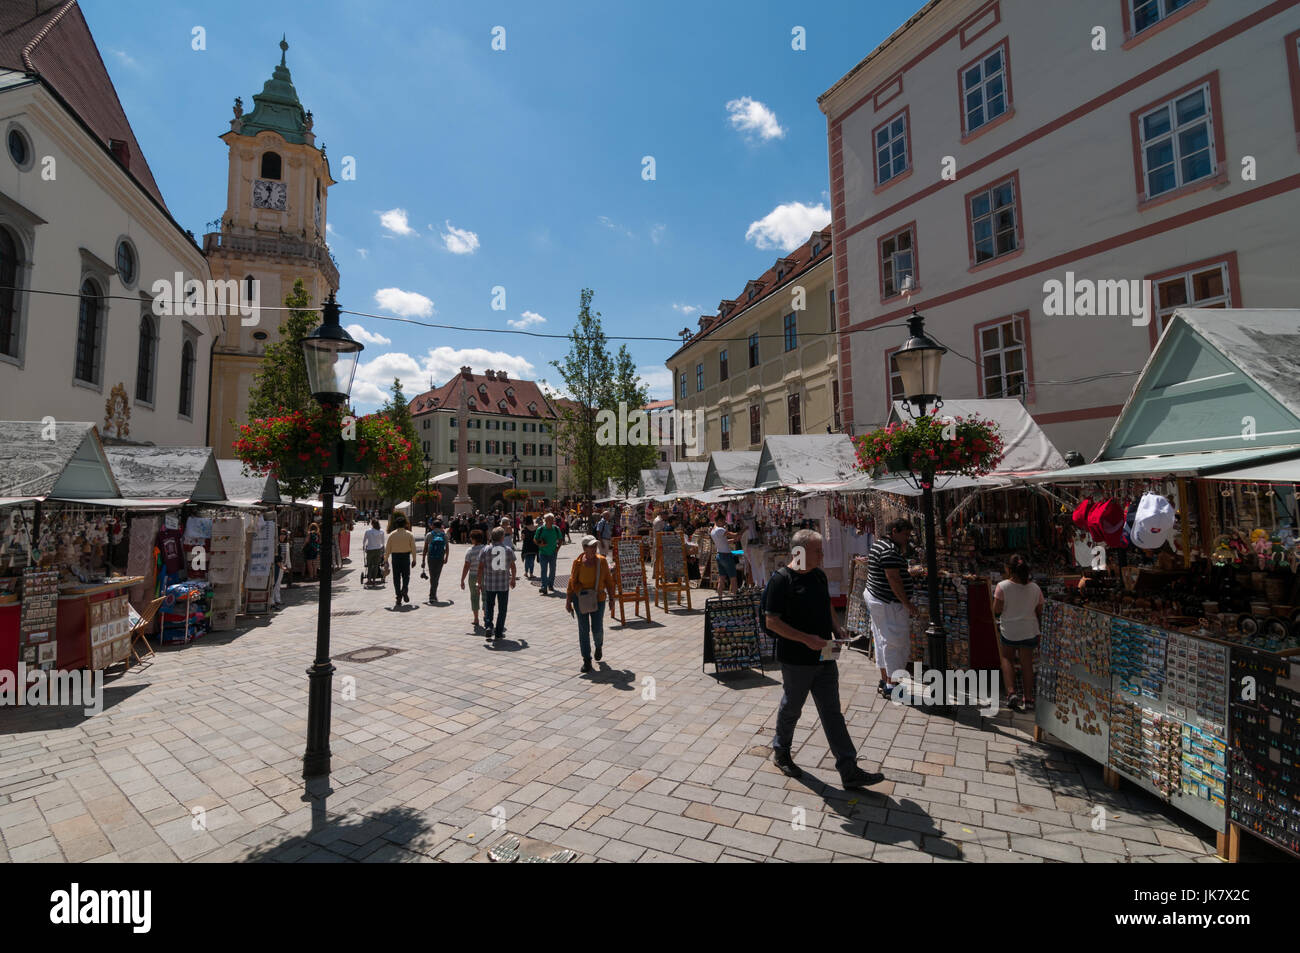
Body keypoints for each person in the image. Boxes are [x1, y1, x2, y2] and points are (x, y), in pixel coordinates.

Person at [765, 529, 885, 789]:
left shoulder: (818, 575)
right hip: (796, 658)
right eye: (818, 551)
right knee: (792, 707)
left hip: (825, 653)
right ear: (800, 552)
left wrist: (837, 626)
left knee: (832, 712)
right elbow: (771, 622)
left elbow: (826, 603)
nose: (822, 555)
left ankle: (848, 768)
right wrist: (806, 639)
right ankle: (781, 751)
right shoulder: (781, 580)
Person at [865, 518, 918, 698]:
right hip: (888, 603)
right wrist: (907, 603)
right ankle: (893, 685)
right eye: (905, 534)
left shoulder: (879, 544)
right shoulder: (889, 550)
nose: (907, 538)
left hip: (877, 598)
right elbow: (893, 578)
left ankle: (886, 679)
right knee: (895, 643)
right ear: (894, 531)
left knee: (882, 640)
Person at [993, 553, 1044, 711]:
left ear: (1009, 569)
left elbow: (996, 610)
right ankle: (1028, 698)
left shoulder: (1002, 587)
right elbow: (1040, 611)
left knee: (1007, 658)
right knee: (1026, 663)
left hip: (1010, 630)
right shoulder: (1035, 588)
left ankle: (1011, 692)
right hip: (1029, 630)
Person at [566, 535, 618, 674]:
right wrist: (569, 600)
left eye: (595, 545)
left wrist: (612, 599)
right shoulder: (577, 562)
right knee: (583, 630)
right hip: (581, 599)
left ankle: (598, 645)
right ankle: (586, 660)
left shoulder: (602, 561)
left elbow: (609, 581)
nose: (594, 548)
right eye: (591, 546)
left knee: (597, 628)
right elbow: (572, 582)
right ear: (584, 548)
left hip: (599, 598)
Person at [477, 526, 517, 640]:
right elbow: (513, 566)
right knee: (502, 609)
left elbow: (480, 567)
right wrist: (513, 579)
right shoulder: (508, 550)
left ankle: (489, 625)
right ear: (502, 537)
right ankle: (499, 631)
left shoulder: (485, 549)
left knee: (489, 606)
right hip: (503, 584)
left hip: (489, 583)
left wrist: (479, 582)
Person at [384, 514, 417, 609]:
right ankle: (405, 589)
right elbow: (413, 548)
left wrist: (386, 560)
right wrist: (414, 559)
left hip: (395, 558)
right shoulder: (409, 534)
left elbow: (387, 549)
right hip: (406, 557)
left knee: (396, 577)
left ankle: (398, 596)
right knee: (406, 576)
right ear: (405, 524)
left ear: (396, 525)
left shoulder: (392, 535)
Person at [461, 528, 487, 630]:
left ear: (474, 539)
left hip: (473, 575)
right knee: (485, 596)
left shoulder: (470, 550)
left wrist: (462, 579)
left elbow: (466, 565)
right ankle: (486, 616)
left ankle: (476, 618)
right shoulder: (487, 549)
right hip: (485, 575)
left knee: (474, 597)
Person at [711, 512, 741, 594]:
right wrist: (744, 529)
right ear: (720, 521)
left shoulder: (713, 531)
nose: (725, 523)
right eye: (724, 521)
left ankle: (719, 598)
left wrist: (733, 540)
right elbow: (735, 535)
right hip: (726, 556)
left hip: (719, 555)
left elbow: (723, 541)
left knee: (721, 579)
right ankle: (734, 598)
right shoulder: (720, 530)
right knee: (733, 578)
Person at [534, 512, 564, 595]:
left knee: (552, 570)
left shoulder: (556, 529)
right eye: (550, 519)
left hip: (553, 553)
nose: (552, 521)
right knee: (544, 570)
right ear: (545, 520)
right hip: (543, 553)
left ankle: (550, 584)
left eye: (552, 519)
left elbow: (561, 539)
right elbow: (535, 539)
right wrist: (540, 544)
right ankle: (544, 586)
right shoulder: (540, 529)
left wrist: (557, 549)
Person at [421, 517, 450, 604]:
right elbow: (447, 548)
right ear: (441, 526)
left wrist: (423, 560)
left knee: (432, 576)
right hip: (440, 557)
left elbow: (425, 549)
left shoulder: (429, 535)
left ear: (433, 526)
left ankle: (432, 595)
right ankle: (433, 595)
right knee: (436, 577)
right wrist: (446, 558)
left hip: (431, 557)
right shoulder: (444, 535)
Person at [362, 518, 385, 586]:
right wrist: (382, 549)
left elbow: (364, 541)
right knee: (376, 565)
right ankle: (374, 580)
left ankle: (369, 580)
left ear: (372, 524)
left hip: (370, 550)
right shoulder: (381, 532)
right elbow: (383, 542)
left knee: (369, 566)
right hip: (378, 550)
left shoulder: (368, 531)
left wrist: (364, 546)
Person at [272, 529, 290, 607]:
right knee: (275, 582)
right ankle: (274, 600)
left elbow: (287, 556)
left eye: (284, 534)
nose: (283, 536)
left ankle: (277, 599)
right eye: (281, 534)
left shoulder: (286, 544)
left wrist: (288, 565)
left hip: (283, 565)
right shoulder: (277, 544)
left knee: (278, 583)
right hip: (278, 565)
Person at [521, 515, 538, 579]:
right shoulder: (536, 527)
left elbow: (522, 538)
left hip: (526, 546)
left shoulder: (524, 529)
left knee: (527, 560)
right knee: (532, 560)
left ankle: (526, 572)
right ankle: (531, 573)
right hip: (534, 546)